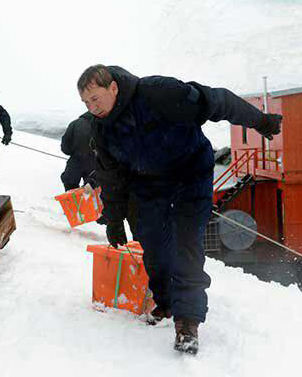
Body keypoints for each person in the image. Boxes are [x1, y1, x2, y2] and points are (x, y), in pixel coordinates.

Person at [77, 64, 282, 355]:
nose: (91, 107)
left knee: (187, 243)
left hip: (190, 175)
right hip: (149, 185)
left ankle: (188, 321)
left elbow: (217, 101)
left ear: (113, 88)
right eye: (86, 102)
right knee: (153, 247)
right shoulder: (100, 128)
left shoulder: (158, 93)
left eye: (95, 99)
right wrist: (114, 218)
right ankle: (166, 302)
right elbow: (112, 175)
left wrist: (259, 121)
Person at [60, 113, 97, 191]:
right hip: (95, 165)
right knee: (91, 191)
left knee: (70, 190)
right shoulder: (103, 125)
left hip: (75, 163)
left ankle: (74, 202)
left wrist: (75, 152)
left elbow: (65, 147)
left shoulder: (75, 123)